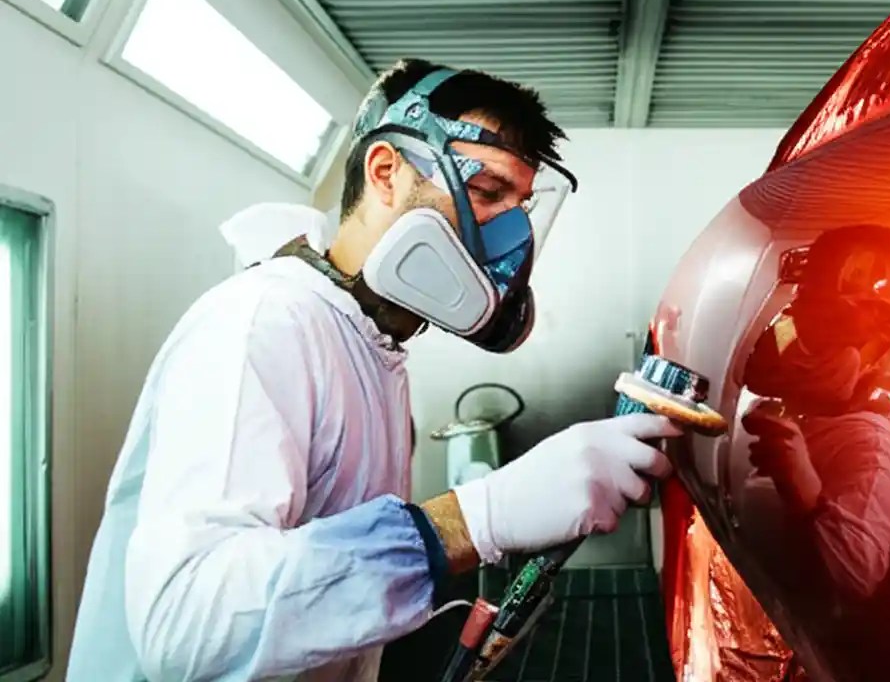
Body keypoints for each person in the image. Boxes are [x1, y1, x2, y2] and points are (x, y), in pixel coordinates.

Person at [66, 58, 681, 682]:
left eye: (521, 205)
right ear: (385, 172)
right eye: (486, 192)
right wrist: (475, 520)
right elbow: (189, 627)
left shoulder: (373, 343)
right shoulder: (264, 322)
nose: (510, 236)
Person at [674, 224, 890, 682]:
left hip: (820, 643)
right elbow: (768, 363)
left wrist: (804, 490)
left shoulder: (869, 443)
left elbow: (857, 576)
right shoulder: (800, 319)